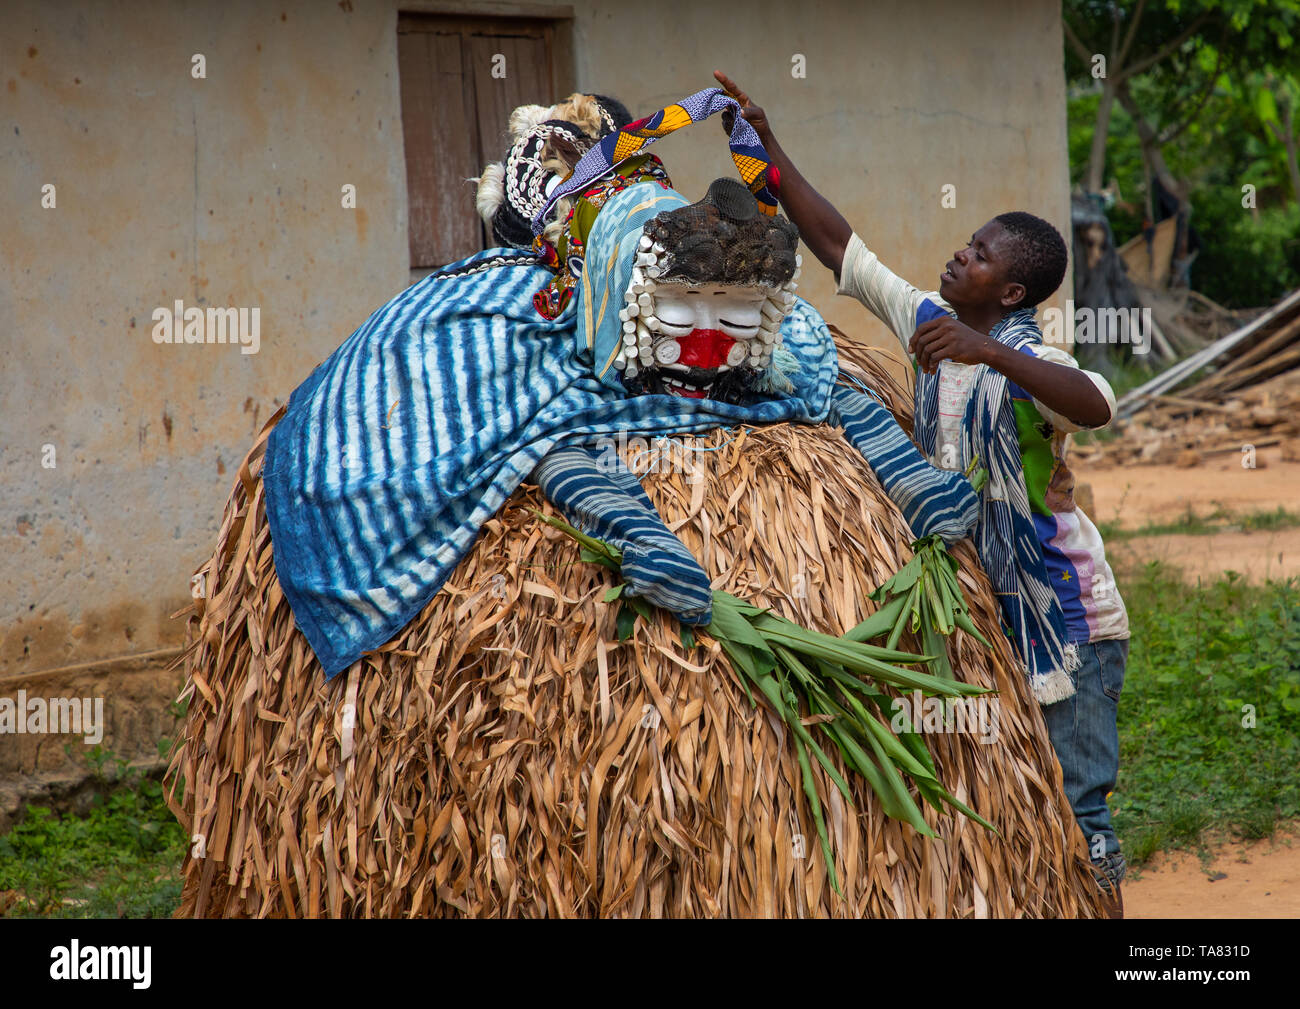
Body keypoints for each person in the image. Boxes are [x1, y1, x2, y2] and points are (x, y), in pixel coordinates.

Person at [711, 71, 1131, 916]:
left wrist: (988, 355)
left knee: (1081, 820)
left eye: (978, 255)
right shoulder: (931, 321)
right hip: (988, 606)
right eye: (966, 243)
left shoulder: (1024, 364)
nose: (958, 255)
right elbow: (840, 247)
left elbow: (1096, 403)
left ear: (1011, 294)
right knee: (1020, 810)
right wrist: (759, 138)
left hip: (1067, 618)